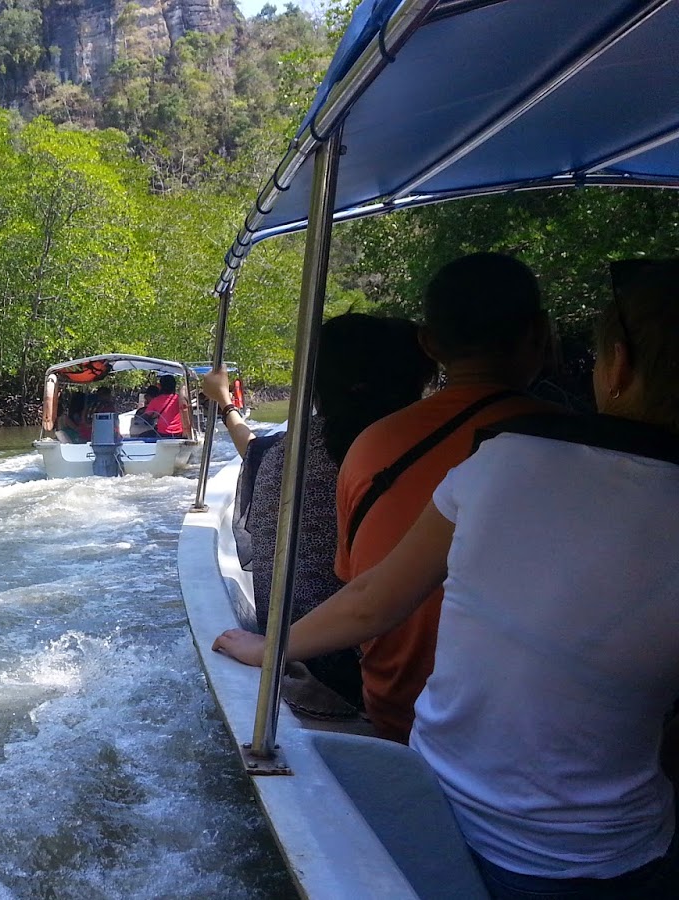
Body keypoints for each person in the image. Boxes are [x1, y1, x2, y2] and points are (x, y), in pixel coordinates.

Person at [215, 261, 679, 897]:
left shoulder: (507, 455)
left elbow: (369, 599)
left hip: (456, 808)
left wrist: (269, 648)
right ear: (540, 337)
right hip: (632, 848)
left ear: (618, 367)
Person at [262, 253, 561, 743]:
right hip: (533, 730)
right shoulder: (571, 442)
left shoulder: (366, 445)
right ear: (540, 332)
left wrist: (267, 648)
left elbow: (361, 591)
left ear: (431, 343)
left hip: (394, 707)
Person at [206, 314, 433, 707]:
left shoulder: (290, 450)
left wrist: (226, 404)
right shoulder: (409, 449)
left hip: (300, 648)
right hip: (361, 663)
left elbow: (252, 449)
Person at [142, 374, 187, 439]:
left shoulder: (156, 400)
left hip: (162, 434)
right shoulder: (179, 399)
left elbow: (146, 416)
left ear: (160, 386)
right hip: (179, 433)